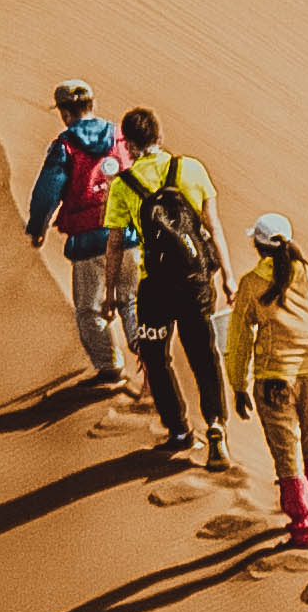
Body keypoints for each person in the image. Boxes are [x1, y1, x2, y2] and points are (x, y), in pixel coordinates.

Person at [105, 107, 234, 471]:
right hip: (196, 284)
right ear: (159, 137)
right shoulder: (191, 169)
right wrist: (228, 275)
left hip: (155, 288)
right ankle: (215, 426)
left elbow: (115, 244)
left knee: (156, 357)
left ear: (127, 146)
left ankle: (179, 429)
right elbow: (214, 226)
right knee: (203, 357)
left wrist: (111, 292)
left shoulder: (122, 185)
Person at [231, 215, 308, 556]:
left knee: (287, 455)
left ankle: (303, 525)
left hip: (273, 380)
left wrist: (237, 383)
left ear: (257, 246)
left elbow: (238, 340)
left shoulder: (250, 283)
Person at [19, 81, 130, 387]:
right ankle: (153, 364)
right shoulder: (119, 135)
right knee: (132, 302)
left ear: (66, 113)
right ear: (91, 104)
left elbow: (47, 191)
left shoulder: (65, 145)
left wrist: (37, 228)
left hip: (89, 239)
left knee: (88, 310)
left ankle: (109, 367)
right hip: (129, 235)